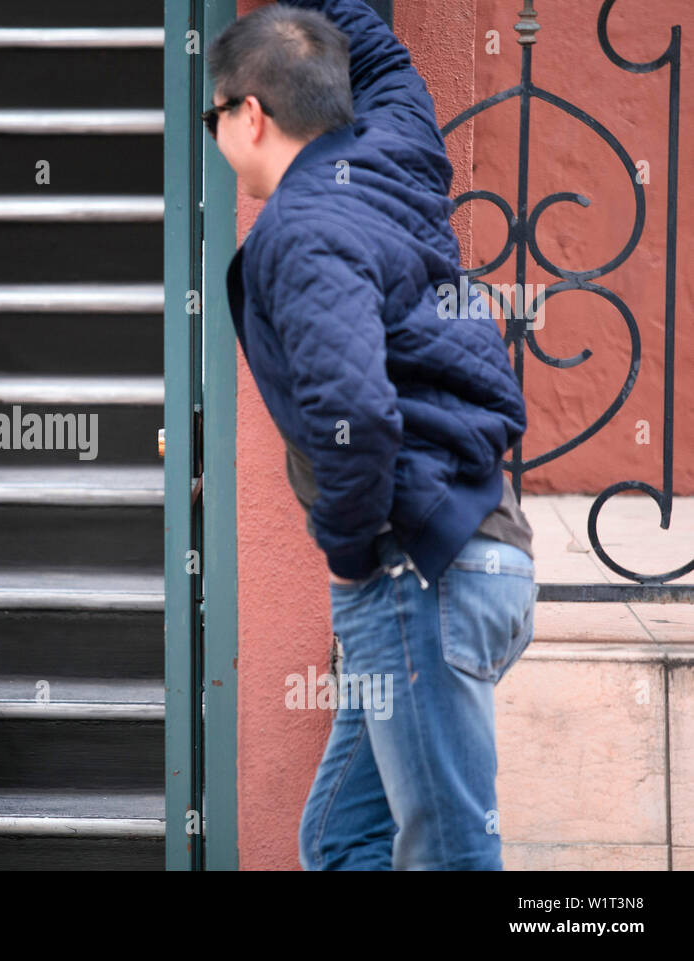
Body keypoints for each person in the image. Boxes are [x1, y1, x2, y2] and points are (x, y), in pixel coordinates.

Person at [207, 0, 538, 869]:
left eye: (212, 114)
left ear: (249, 114)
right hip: (478, 553)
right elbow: (387, 64)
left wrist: (351, 556)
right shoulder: (393, 153)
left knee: (452, 854)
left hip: (416, 570)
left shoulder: (303, 228)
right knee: (341, 838)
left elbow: (354, 415)